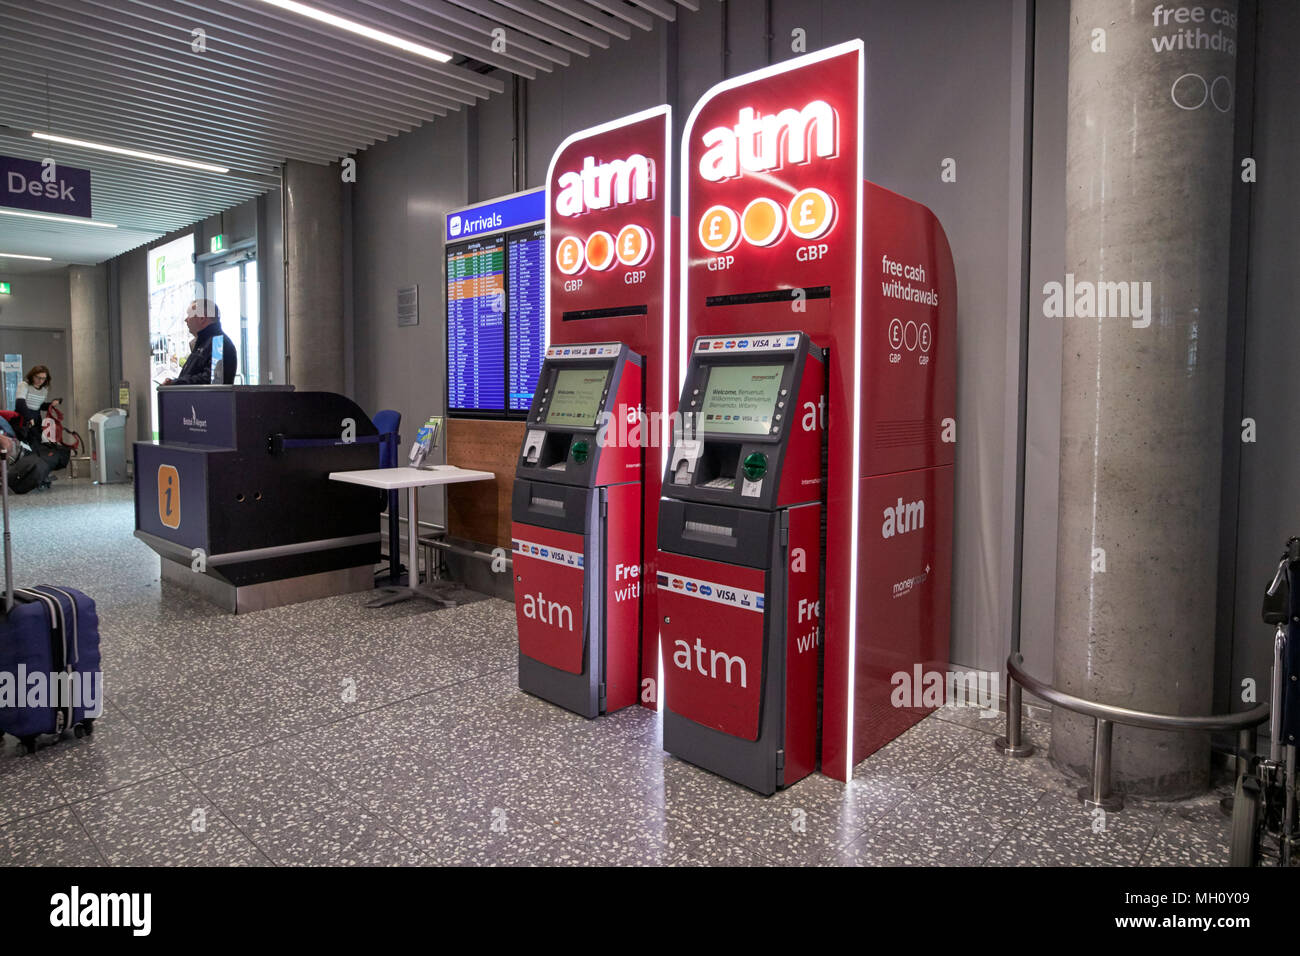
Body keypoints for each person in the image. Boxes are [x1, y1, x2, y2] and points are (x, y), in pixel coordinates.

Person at [161, 299, 238, 386]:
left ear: (202, 318)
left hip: (206, 400)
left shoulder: (218, 343)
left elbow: (213, 381)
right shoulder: (204, 343)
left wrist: (176, 383)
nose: (186, 320)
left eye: (189, 315)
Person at [14, 365, 58, 443]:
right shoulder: (24, 385)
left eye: (43, 378)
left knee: (36, 443)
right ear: (32, 375)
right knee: (23, 443)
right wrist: (29, 418)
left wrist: (51, 404)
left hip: (36, 418)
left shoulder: (44, 390)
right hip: (23, 417)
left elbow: (39, 406)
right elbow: (20, 404)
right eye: (38, 377)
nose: (41, 381)